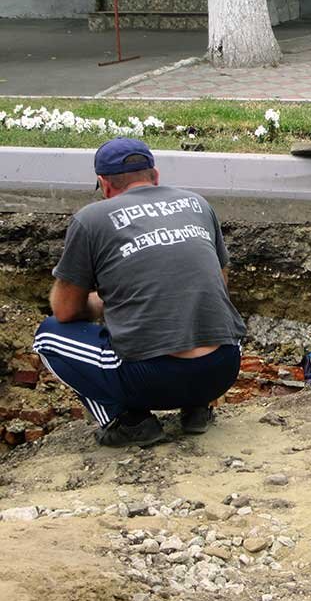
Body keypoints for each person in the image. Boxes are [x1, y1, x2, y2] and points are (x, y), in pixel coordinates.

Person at [33, 138, 246, 447]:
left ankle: (129, 422)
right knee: (205, 318)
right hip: (224, 367)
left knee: (47, 336)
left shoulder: (91, 219)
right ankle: (197, 409)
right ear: (155, 176)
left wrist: (106, 303)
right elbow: (218, 285)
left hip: (152, 378)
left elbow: (64, 310)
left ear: (104, 185)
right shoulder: (197, 203)